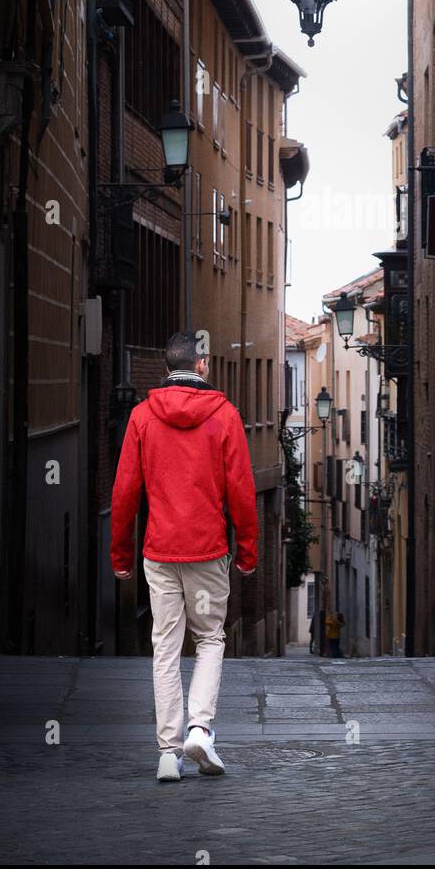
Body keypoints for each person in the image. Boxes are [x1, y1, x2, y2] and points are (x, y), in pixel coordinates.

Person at [110, 331, 258, 782]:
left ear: (165, 367)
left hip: (159, 551)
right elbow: (242, 493)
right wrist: (247, 552)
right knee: (210, 638)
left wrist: (121, 555)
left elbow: (124, 492)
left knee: (165, 647)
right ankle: (200, 727)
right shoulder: (225, 416)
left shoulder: (141, 417)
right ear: (203, 365)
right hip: (208, 550)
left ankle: (167, 753)